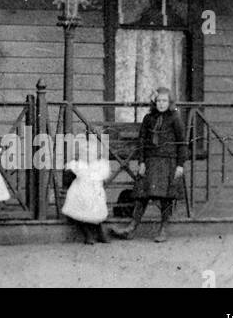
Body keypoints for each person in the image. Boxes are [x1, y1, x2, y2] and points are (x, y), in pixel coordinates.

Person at [113, 86, 188, 243]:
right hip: (150, 161)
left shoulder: (175, 118)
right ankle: (132, 228)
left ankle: (163, 230)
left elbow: (182, 143)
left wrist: (180, 165)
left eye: (164, 101)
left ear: (170, 102)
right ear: (154, 102)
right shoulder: (148, 119)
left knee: (166, 197)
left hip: (169, 161)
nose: (161, 104)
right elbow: (141, 141)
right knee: (142, 194)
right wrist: (141, 162)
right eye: (158, 100)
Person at [62, 140, 113, 244]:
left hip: (95, 192)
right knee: (81, 207)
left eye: (92, 153)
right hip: (80, 191)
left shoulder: (99, 165)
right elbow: (69, 174)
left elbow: (104, 175)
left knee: (96, 208)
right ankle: (87, 234)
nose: (88, 155)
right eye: (85, 153)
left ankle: (99, 232)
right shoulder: (79, 165)